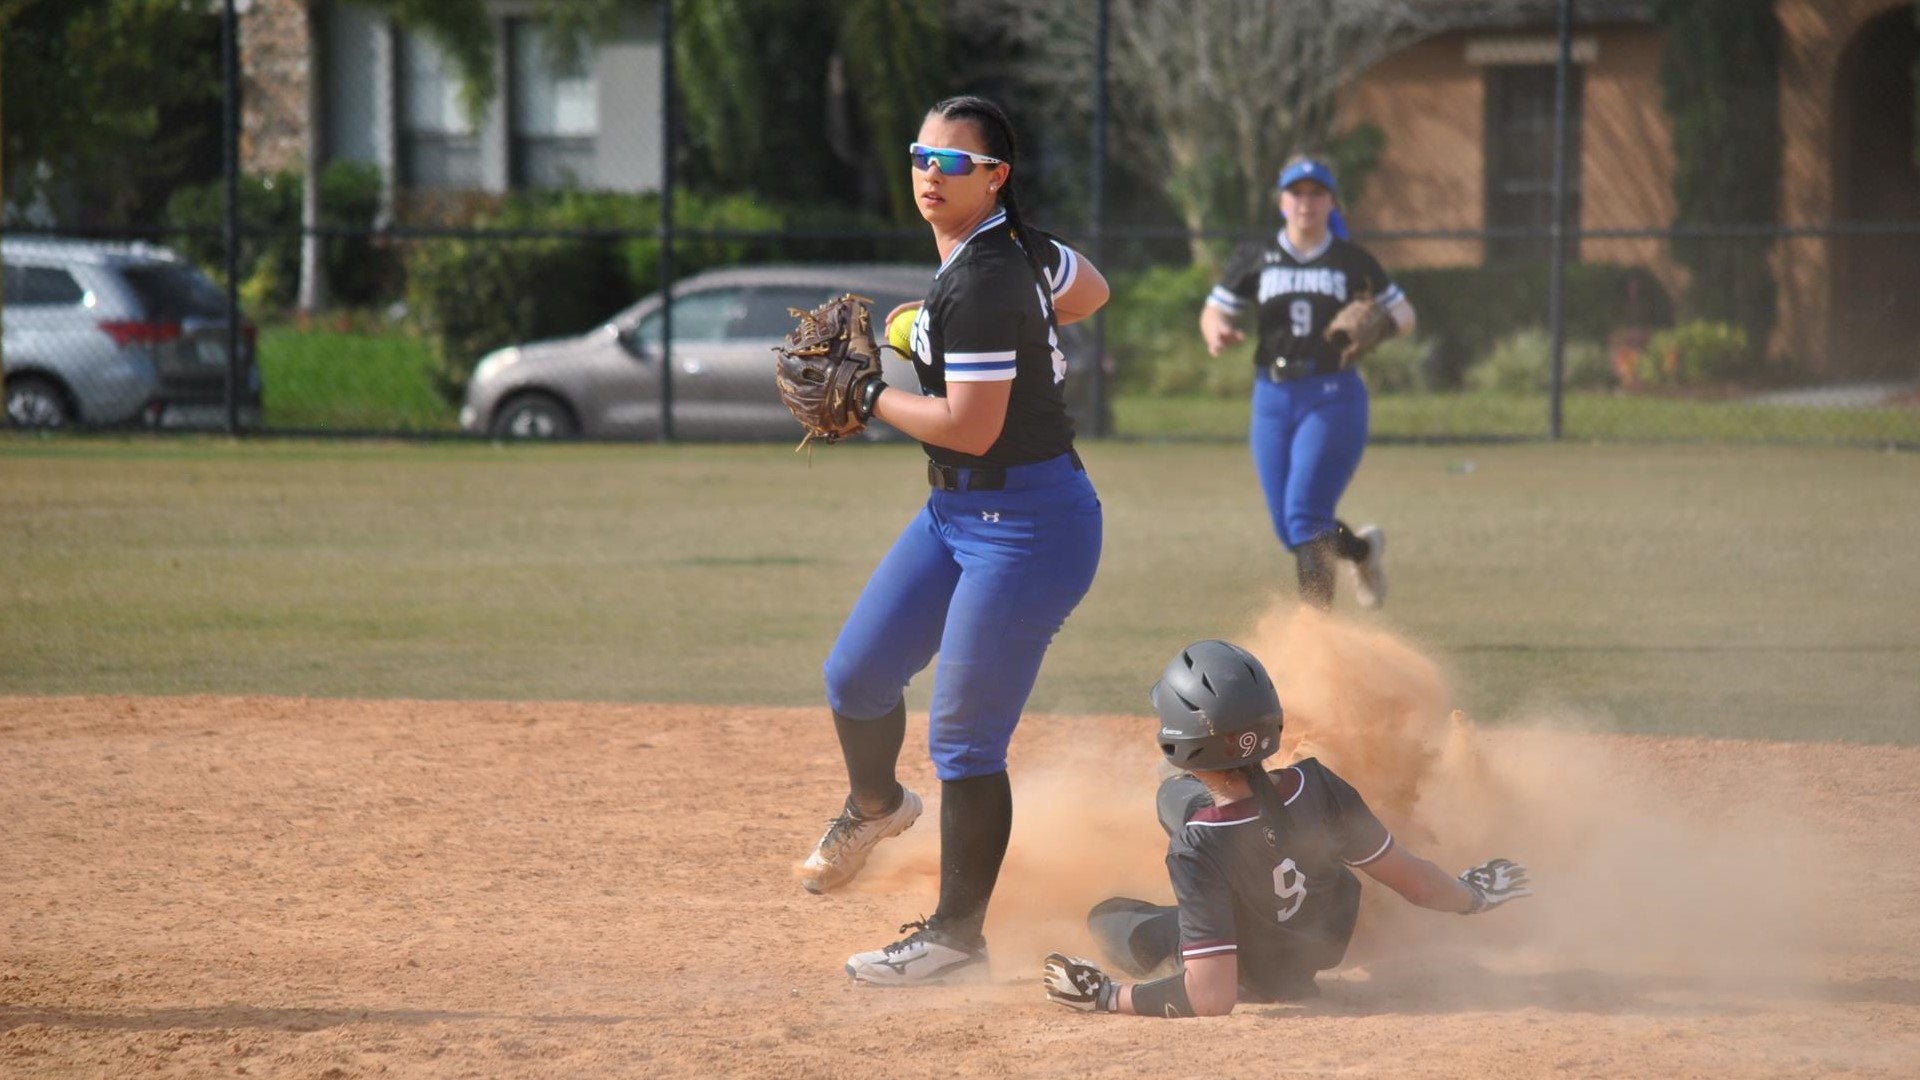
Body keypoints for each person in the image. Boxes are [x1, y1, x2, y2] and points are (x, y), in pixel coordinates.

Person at [798, 95, 1111, 988]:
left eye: (954, 163)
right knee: (854, 677)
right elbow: (1088, 290)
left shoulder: (984, 277)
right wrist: (942, 328)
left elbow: (971, 427)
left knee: (966, 742)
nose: (930, 175)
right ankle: (877, 806)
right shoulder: (1015, 252)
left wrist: (867, 398)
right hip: (956, 514)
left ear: (995, 177)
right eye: (920, 156)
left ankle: (955, 939)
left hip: (1031, 527)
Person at [1041, 639, 1531, 1017]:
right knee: (1182, 804)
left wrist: (1106, 995)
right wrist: (1473, 895)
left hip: (1251, 970)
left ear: (1179, 742)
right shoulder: (1320, 786)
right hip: (1315, 947)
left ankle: (1190, 815)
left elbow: (1210, 997)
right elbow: (1418, 883)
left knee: (1109, 917)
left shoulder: (1197, 844)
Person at [1198, 157, 1417, 611]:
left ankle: (1316, 638)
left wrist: (1382, 327)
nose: (1306, 202)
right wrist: (1215, 331)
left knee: (1303, 515)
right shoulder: (1257, 256)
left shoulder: (1351, 260)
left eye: (1316, 193)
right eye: (1296, 193)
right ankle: (1362, 551)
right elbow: (1214, 309)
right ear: (1281, 201)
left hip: (1332, 396)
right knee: (1290, 528)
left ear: (1330, 201)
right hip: (1273, 397)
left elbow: (1404, 314)